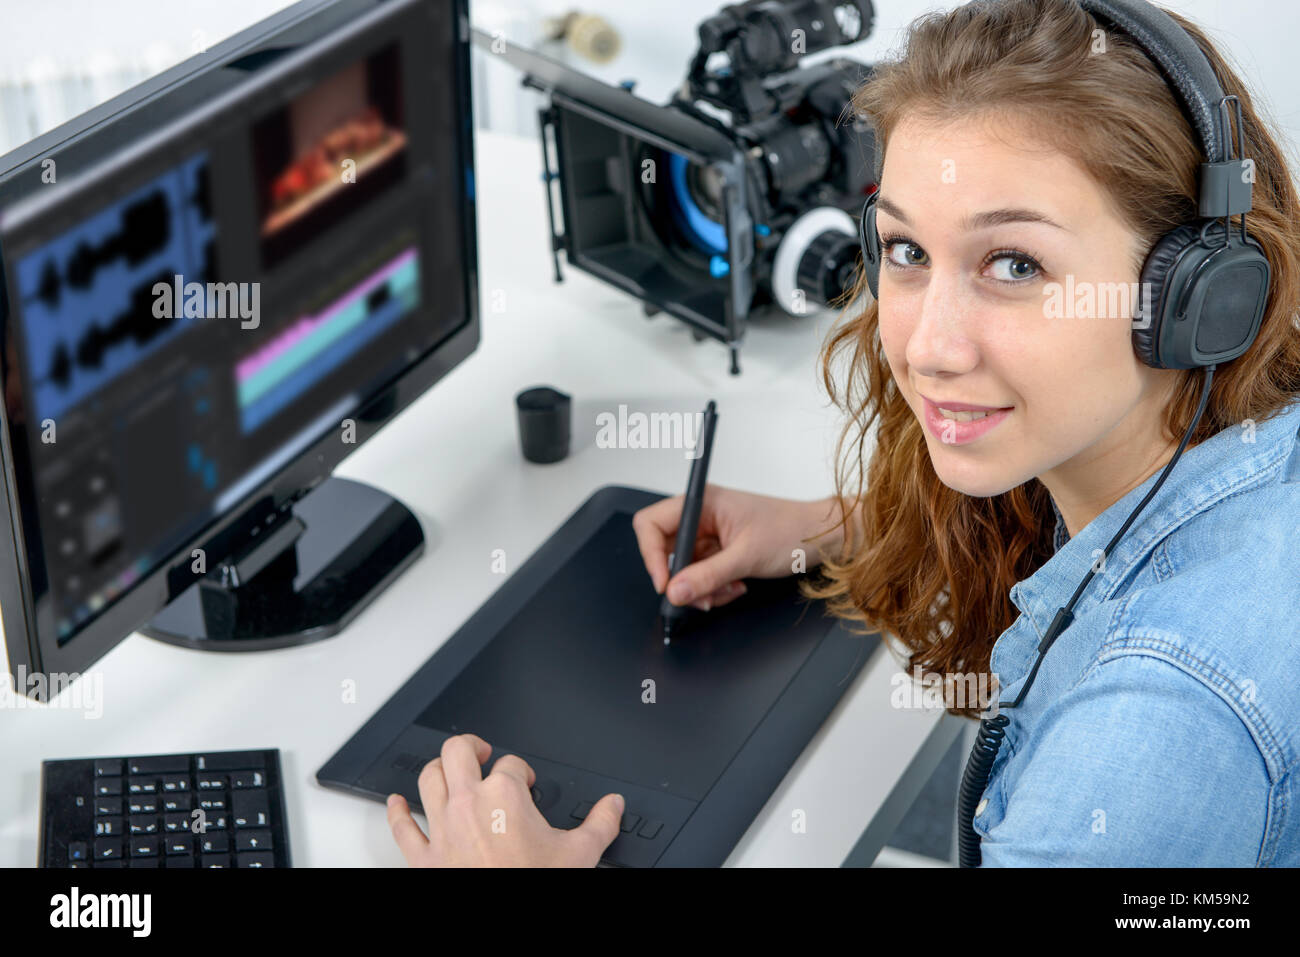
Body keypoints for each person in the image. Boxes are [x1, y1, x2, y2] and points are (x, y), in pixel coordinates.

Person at [386, 0, 1300, 866]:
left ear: (1197, 299)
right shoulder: (1251, 438)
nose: (928, 348)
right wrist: (836, 526)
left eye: (1014, 263)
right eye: (906, 250)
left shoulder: (1146, 736)